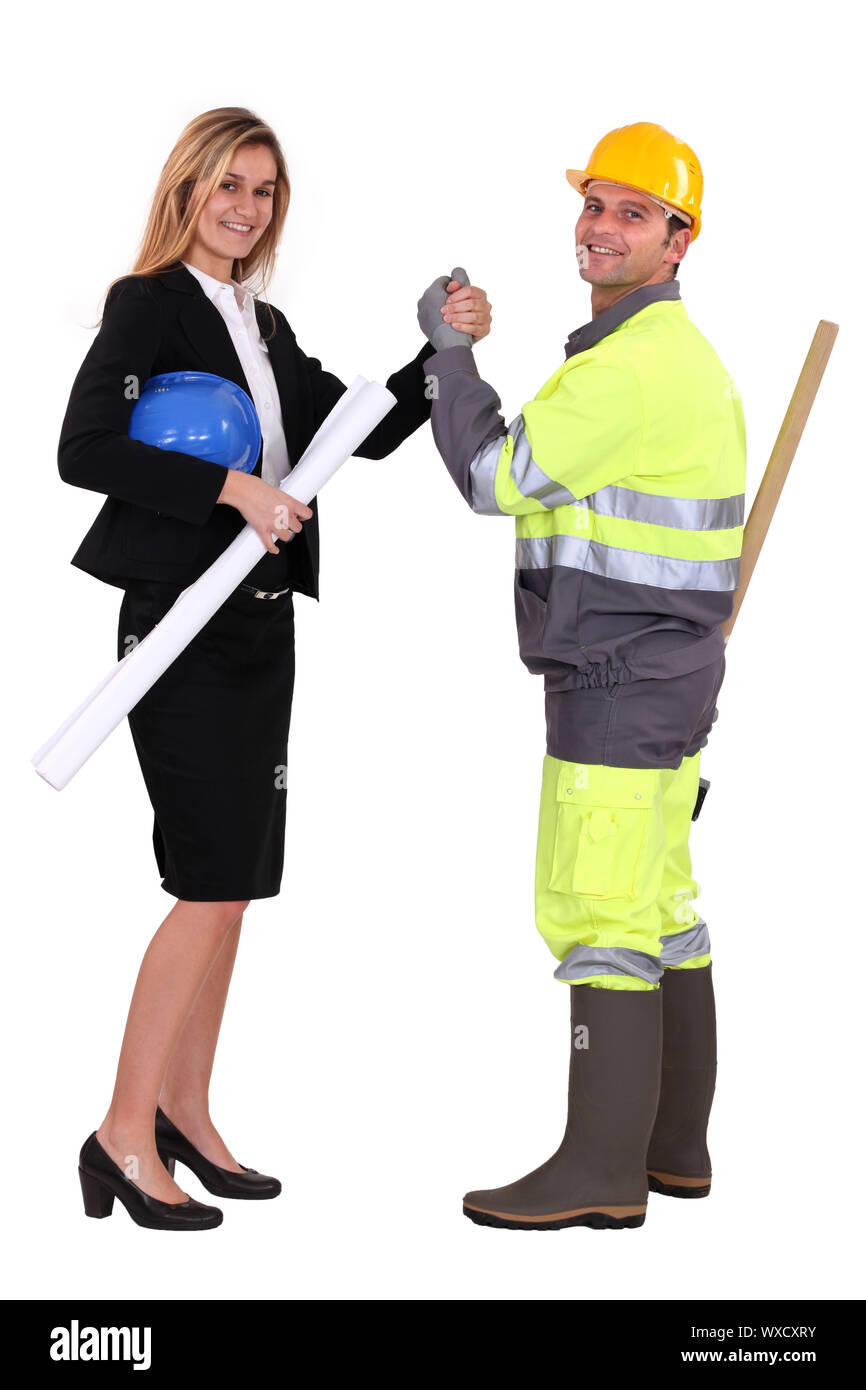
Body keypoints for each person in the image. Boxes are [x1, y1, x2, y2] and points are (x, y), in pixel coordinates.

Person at [60, 105, 492, 1230]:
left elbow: (359, 429)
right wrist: (229, 489)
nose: (245, 208)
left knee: (236, 887)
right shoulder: (147, 305)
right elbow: (85, 450)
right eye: (227, 187)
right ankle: (119, 1131)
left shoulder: (261, 321)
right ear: (186, 193)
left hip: (257, 624)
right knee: (202, 884)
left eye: (261, 190)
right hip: (180, 626)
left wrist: (437, 350)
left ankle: (185, 1115)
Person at [416, 121, 746, 1230]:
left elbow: (492, 476)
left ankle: (598, 1170)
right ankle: (671, 1146)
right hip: (667, 673)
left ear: (677, 240)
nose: (600, 228)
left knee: (595, 913)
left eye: (630, 212)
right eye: (594, 203)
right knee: (660, 907)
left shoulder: (633, 367)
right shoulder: (665, 358)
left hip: (615, 677)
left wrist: (448, 360)